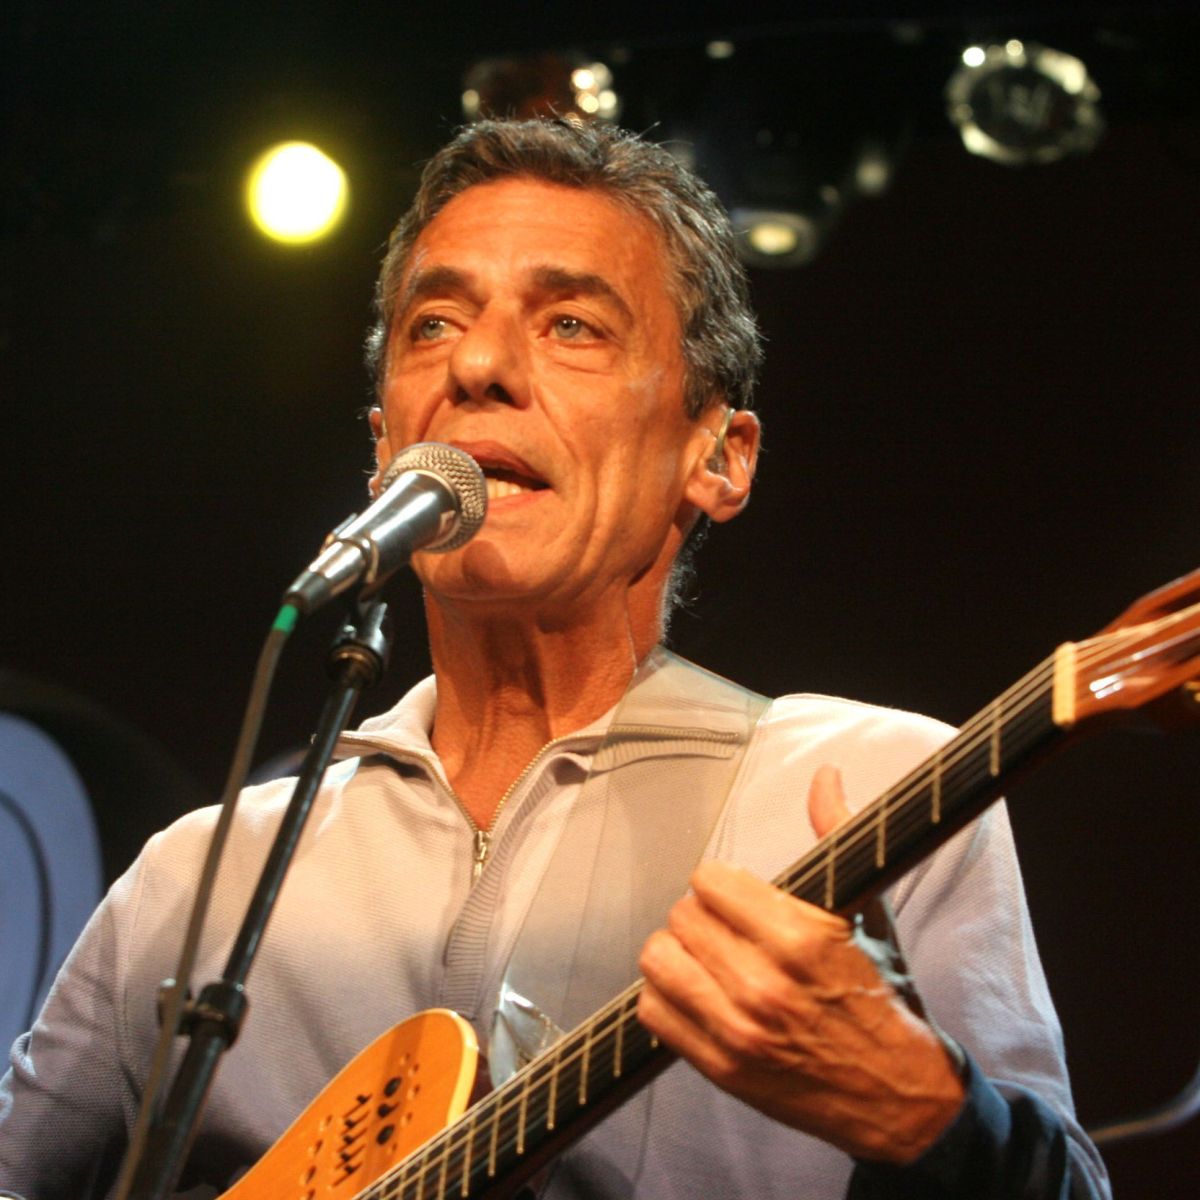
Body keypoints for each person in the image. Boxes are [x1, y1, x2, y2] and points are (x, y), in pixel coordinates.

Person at [0, 118, 1109, 1199]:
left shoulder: (875, 786)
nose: (478, 364)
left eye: (572, 325)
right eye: (434, 324)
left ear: (720, 457)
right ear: (384, 448)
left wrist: (931, 1121)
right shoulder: (204, 877)